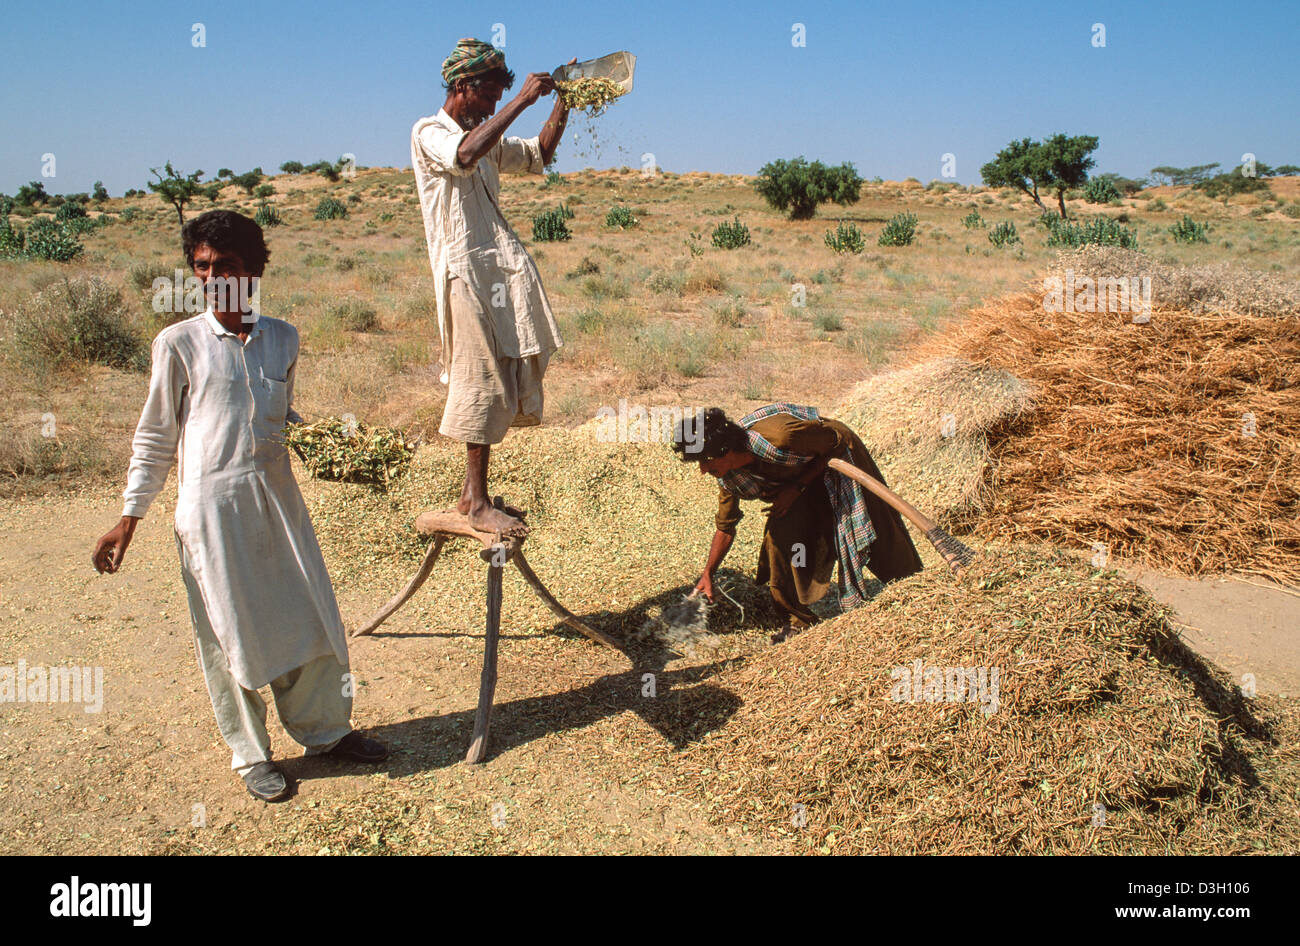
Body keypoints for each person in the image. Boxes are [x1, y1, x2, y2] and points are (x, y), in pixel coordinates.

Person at [91, 210, 387, 803]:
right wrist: (129, 518)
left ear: (253, 270)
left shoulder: (283, 337)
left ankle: (326, 732)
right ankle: (251, 754)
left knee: (310, 615)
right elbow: (155, 437)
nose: (209, 277)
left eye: (223, 266)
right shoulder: (179, 344)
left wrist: (333, 446)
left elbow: (278, 415)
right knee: (228, 630)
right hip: (211, 509)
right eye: (200, 267)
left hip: (278, 502)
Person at [411, 37, 575, 537]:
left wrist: (565, 101)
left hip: (497, 273)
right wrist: (524, 101)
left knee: (500, 374)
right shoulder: (431, 132)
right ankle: (477, 502)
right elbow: (463, 155)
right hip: (464, 275)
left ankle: (471, 495)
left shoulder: (485, 138)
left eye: (501, 95)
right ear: (462, 86)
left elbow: (539, 153)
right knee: (477, 378)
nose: (493, 105)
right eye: (488, 95)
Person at [672, 404, 924, 638]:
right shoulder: (730, 477)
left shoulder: (782, 437)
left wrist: (796, 488)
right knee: (780, 536)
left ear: (725, 451)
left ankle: (915, 591)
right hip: (801, 480)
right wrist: (708, 573)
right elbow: (725, 527)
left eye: (705, 460)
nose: (703, 469)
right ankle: (797, 619)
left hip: (839, 459)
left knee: (877, 527)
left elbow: (838, 440)